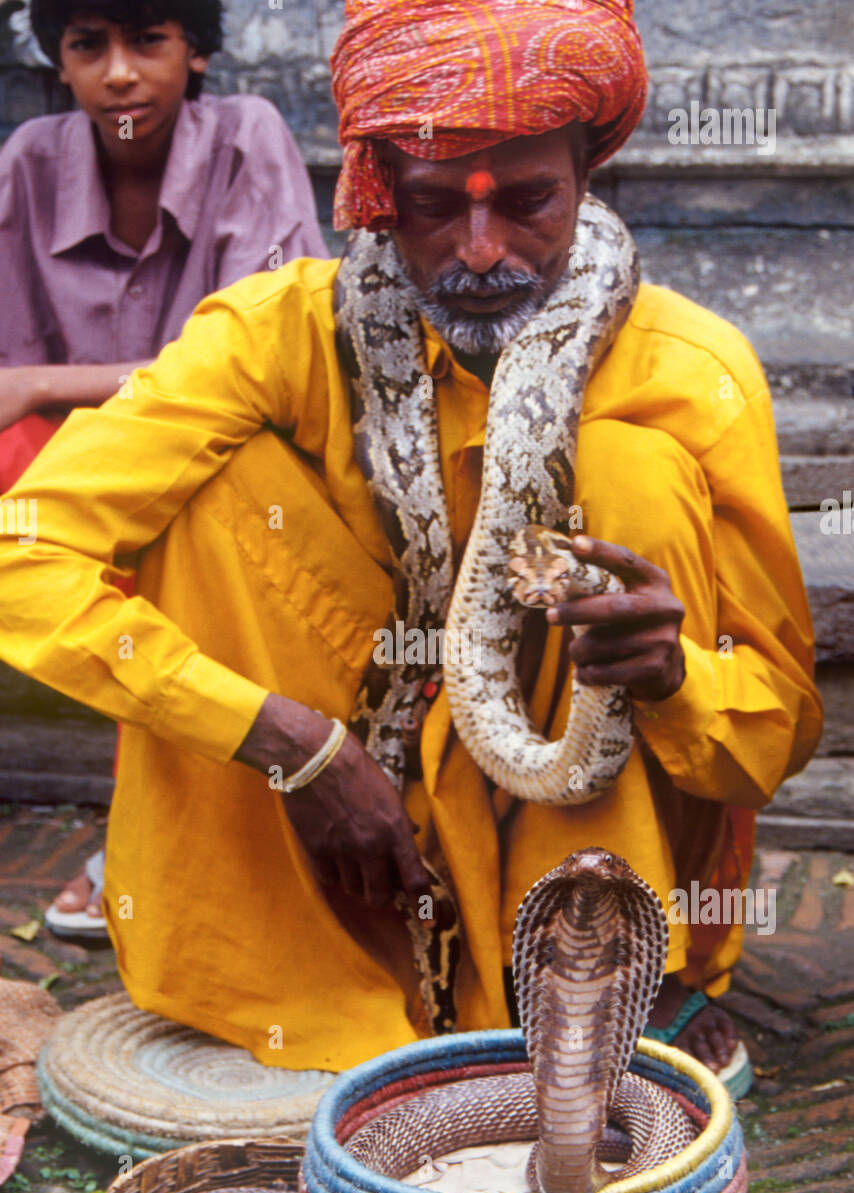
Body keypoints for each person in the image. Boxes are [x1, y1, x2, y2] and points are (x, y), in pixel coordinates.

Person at [0, 0, 821, 1082]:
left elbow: (778, 731)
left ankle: (622, 967)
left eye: (529, 202)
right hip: (359, 785)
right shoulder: (278, 332)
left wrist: (674, 675)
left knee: (628, 472)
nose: (479, 251)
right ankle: (323, 973)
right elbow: (24, 551)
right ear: (379, 196)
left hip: (568, 797)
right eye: (434, 207)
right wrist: (282, 738)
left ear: (586, 179)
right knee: (211, 488)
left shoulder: (688, 370)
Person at [0, 0, 328, 931]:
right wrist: (35, 391)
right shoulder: (28, 161)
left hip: (229, 451)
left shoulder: (245, 139)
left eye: (149, 41)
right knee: (35, 515)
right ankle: (164, 826)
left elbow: (261, 367)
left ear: (196, 52)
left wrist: (43, 383)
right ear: (58, 62)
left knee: (194, 511)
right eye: (86, 45)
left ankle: (153, 834)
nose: (118, 75)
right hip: (83, 462)